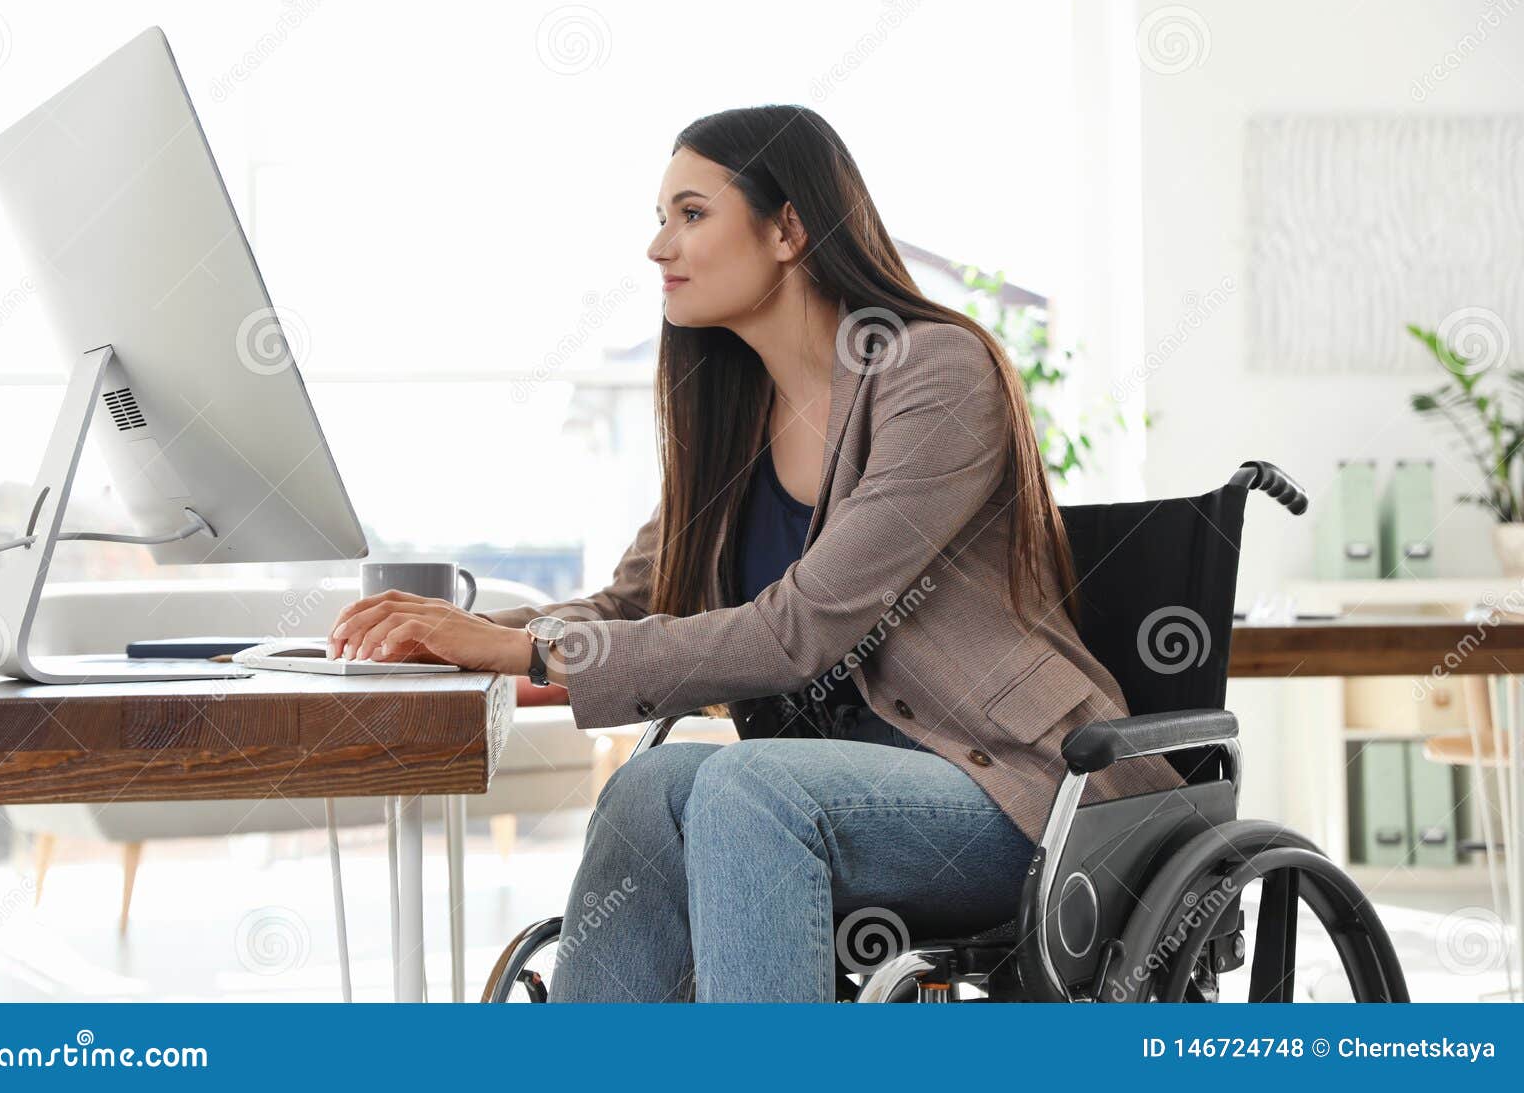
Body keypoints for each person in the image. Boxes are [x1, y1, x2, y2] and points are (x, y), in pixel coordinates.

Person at [324, 105, 1182, 1001]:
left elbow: (801, 628)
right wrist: (446, 636)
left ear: (788, 229)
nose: (659, 246)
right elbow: (629, 604)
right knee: (651, 788)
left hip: (1020, 793)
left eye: (692, 214)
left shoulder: (935, 372)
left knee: (747, 785)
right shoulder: (736, 419)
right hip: (814, 799)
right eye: (660, 218)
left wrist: (530, 651)